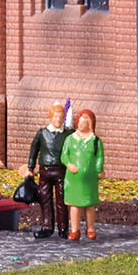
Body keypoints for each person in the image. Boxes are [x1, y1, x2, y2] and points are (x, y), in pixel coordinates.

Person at [26, 100, 68, 238]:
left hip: (61, 171)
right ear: (50, 117)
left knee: (62, 200)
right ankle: (47, 226)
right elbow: (34, 151)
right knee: (45, 199)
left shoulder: (67, 134)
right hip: (45, 171)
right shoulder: (42, 133)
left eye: (61, 117)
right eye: (55, 117)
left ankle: (63, 228)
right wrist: (30, 168)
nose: (58, 120)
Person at [62, 108, 104, 242]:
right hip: (74, 179)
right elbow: (64, 155)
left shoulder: (95, 141)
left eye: (84, 122)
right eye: (79, 122)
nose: (81, 125)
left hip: (89, 179)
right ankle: (75, 230)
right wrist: (69, 164)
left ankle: (90, 228)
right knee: (75, 206)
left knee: (89, 205)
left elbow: (99, 157)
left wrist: (98, 169)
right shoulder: (70, 139)